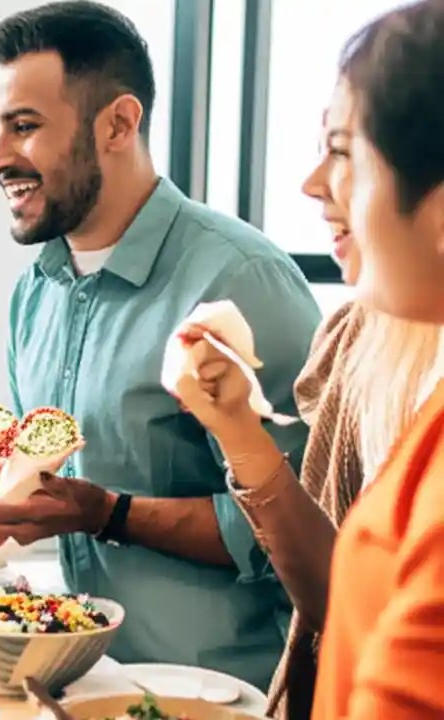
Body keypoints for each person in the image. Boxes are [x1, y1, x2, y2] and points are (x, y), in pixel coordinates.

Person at [0, 1, 321, 691]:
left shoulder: (242, 281)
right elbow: (55, 486)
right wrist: (5, 494)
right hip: (86, 684)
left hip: (226, 693)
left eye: (25, 127)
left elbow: (302, 536)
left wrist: (108, 513)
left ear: (119, 123)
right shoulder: (37, 291)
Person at [179, 2, 444, 716]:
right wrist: (237, 427)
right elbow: (346, 600)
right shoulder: (376, 346)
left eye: (343, 149)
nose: (313, 184)